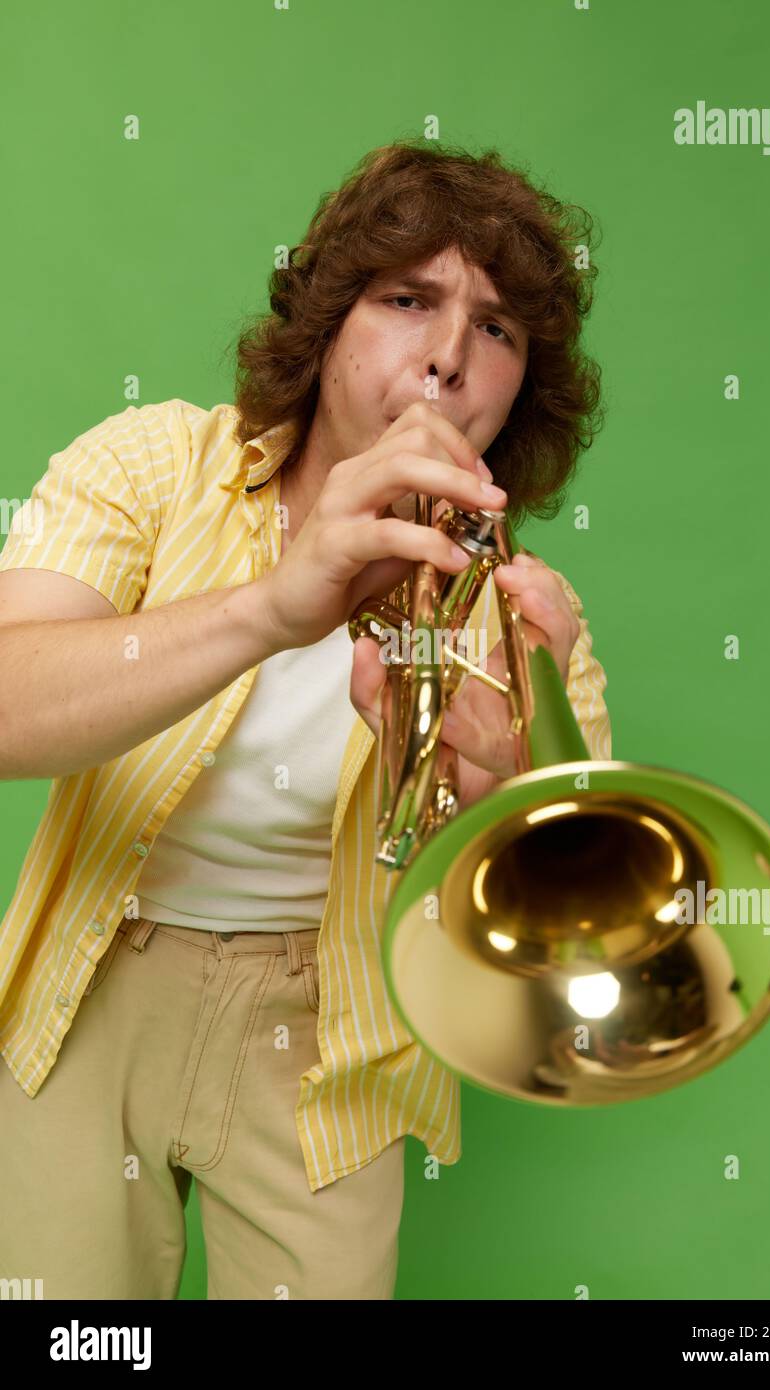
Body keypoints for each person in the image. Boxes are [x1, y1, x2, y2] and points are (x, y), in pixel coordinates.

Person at [0, 139, 612, 1300]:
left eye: (496, 330)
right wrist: (272, 610)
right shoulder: (153, 465)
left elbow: (556, 972)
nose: (446, 358)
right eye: (407, 300)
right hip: (93, 982)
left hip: (332, 1037)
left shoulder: (533, 624)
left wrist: (493, 801)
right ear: (328, 325)